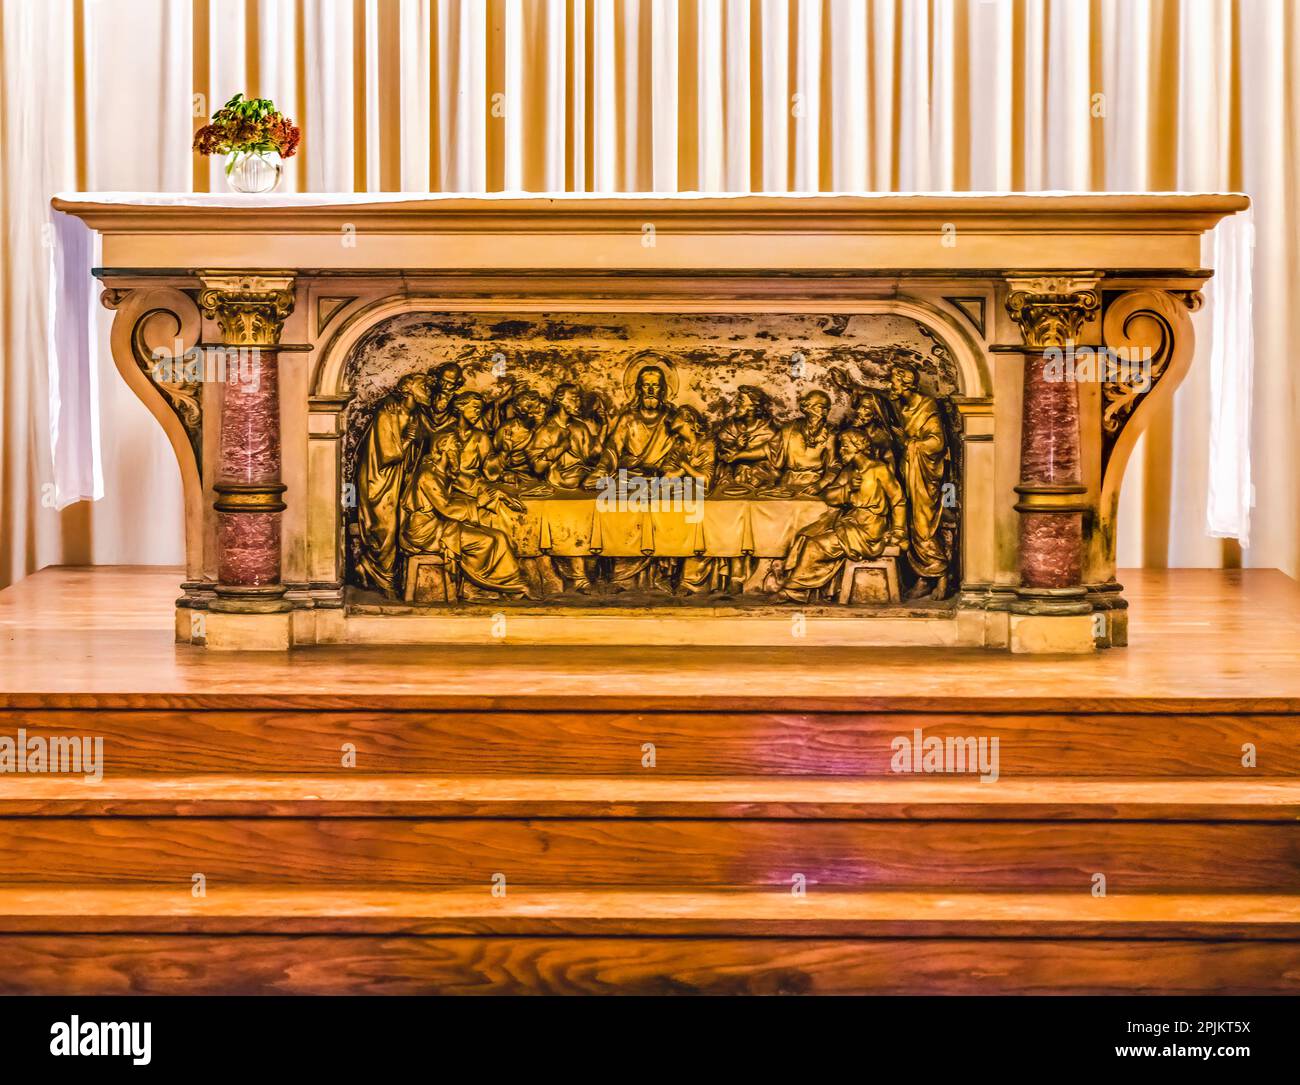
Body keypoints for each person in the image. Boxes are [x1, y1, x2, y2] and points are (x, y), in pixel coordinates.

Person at [775, 428, 908, 603]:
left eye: (845, 446)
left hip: (869, 530)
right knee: (806, 537)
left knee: (814, 546)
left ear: (858, 446)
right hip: (851, 523)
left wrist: (898, 531)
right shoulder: (849, 472)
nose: (841, 451)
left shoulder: (879, 469)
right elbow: (828, 496)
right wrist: (847, 490)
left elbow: (898, 500)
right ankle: (803, 588)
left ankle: (794, 589)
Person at [400, 429, 531, 599]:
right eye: (456, 447)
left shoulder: (446, 471)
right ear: (443, 449)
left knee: (499, 536)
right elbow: (446, 506)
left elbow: (472, 484)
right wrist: (478, 503)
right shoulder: (428, 475)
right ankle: (477, 588)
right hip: (425, 531)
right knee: (486, 541)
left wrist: (498, 493)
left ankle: (512, 586)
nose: (460, 451)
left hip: (442, 523)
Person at [353, 373, 431, 595]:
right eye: (423, 385)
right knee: (385, 526)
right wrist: (407, 440)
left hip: (398, 475)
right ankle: (379, 572)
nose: (428, 390)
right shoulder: (388, 409)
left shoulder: (416, 414)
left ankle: (372, 568)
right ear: (408, 389)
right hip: (379, 477)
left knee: (403, 520)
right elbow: (387, 452)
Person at [889, 365, 950, 599]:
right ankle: (924, 577)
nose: (890, 385)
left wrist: (909, 443)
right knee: (911, 525)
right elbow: (879, 401)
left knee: (923, 525)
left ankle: (941, 575)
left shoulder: (927, 406)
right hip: (908, 470)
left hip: (925, 474)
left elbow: (937, 443)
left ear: (905, 383)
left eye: (893, 380)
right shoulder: (902, 408)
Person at [767, 389, 836, 493]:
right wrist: (738, 455)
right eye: (821, 408)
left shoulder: (830, 433)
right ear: (807, 407)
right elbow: (767, 450)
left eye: (827, 409)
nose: (825, 413)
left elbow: (834, 464)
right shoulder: (789, 428)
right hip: (786, 482)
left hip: (812, 484)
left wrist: (821, 484)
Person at [714, 385, 778, 490]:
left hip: (757, 478)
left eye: (741, 400)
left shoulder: (768, 431)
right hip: (730, 479)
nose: (735, 403)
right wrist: (735, 445)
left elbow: (771, 459)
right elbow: (721, 453)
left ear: (753, 406)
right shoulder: (730, 426)